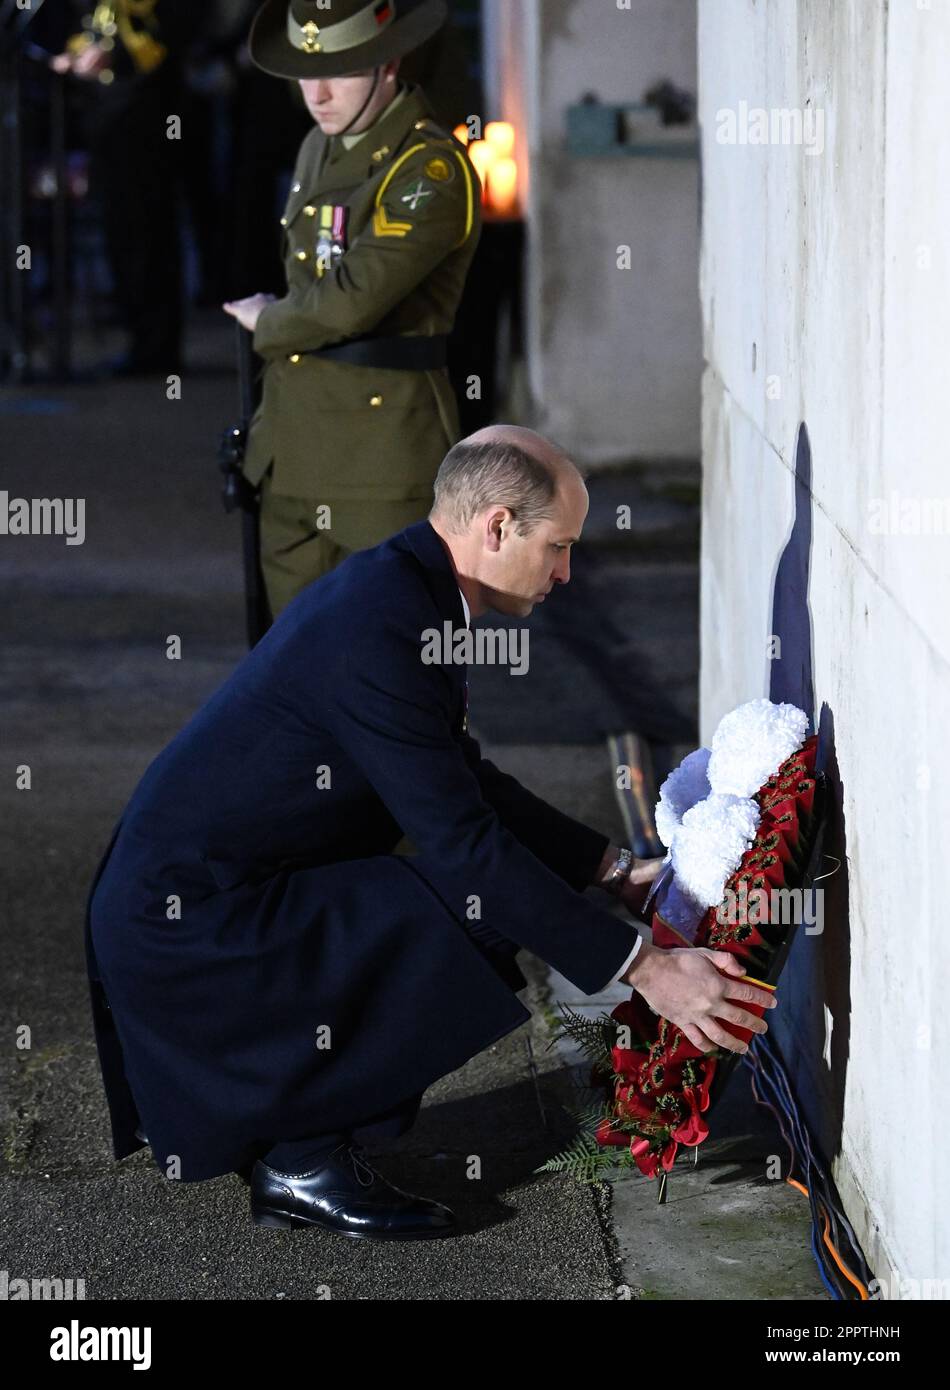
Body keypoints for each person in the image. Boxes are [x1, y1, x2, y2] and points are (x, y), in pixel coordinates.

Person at [84, 424, 776, 1241]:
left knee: (487, 891)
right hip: (191, 934)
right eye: (558, 546)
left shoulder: (400, 589)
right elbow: (468, 848)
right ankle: (302, 1158)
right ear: (496, 527)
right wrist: (650, 970)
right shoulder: (385, 625)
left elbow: (464, 779)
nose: (565, 572)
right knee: (475, 902)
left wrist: (615, 870)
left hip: (217, 902)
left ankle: (303, 1124)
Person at [223, 0, 482, 620]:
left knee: (387, 678)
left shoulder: (431, 167)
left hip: (378, 465)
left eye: (341, 69)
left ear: (389, 63)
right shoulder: (320, 143)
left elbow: (351, 302)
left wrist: (270, 321)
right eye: (306, 72)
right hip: (292, 454)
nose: (317, 91)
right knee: (291, 677)